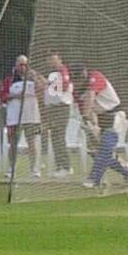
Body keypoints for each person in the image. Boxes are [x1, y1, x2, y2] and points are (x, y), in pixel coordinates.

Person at [77, 66, 128, 189]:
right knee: (96, 152)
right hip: (101, 119)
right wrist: (93, 125)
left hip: (115, 116)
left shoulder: (95, 76)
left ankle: (93, 179)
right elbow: (88, 108)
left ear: (85, 71)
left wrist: (86, 117)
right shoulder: (80, 89)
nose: (79, 79)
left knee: (105, 149)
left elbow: (91, 98)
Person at [1, 55, 43, 179]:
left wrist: (35, 77)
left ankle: (34, 168)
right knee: (13, 143)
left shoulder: (34, 78)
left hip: (31, 115)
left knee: (32, 142)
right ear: (16, 65)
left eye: (25, 65)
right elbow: (3, 96)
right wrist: (15, 96)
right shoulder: (10, 80)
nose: (23, 67)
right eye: (21, 65)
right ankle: (11, 168)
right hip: (14, 116)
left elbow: (42, 89)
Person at [41, 50, 74, 178]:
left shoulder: (62, 71)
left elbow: (64, 86)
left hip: (61, 108)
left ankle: (65, 167)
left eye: (54, 59)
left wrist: (49, 84)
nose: (51, 62)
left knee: (59, 136)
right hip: (53, 108)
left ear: (59, 60)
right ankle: (60, 166)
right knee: (55, 137)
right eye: (50, 60)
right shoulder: (54, 74)